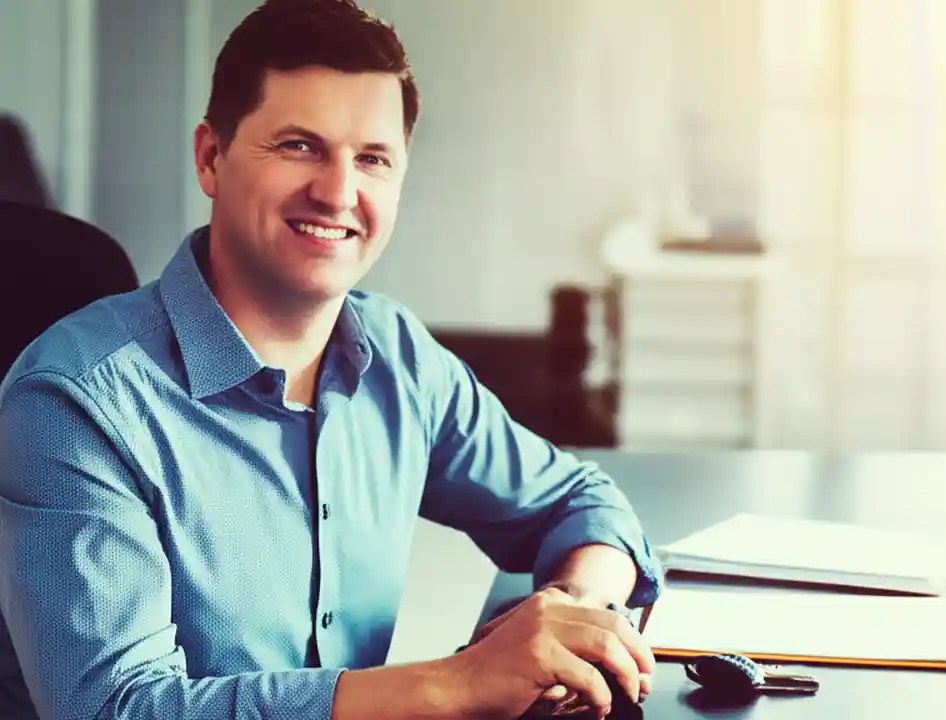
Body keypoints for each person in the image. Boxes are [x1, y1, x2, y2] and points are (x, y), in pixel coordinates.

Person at [0, 1, 661, 718]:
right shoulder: (75, 403)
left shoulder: (398, 358)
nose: (339, 192)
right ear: (210, 157)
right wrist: (461, 680)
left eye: (373, 159)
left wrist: (577, 613)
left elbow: (581, 501)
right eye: (298, 146)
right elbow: (114, 709)